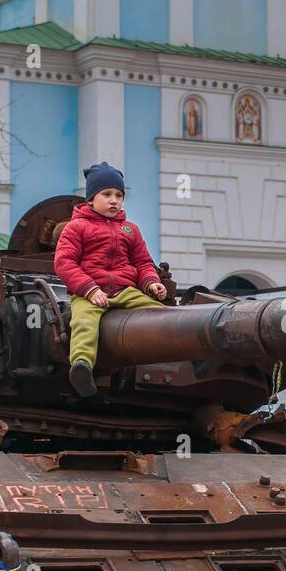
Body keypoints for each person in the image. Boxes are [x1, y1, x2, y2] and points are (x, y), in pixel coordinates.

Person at [54, 162, 168, 397]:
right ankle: (82, 366)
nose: (114, 200)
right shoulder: (77, 228)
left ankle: (187, 358)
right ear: (90, 199)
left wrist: (151, 282)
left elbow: (143, 263)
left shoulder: (131, 230)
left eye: (119, 195)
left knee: (161, 316)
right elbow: (64, 263)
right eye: (106, 194)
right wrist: (89, 289)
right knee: (84, 323)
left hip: (126, 291)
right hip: (90, 292)